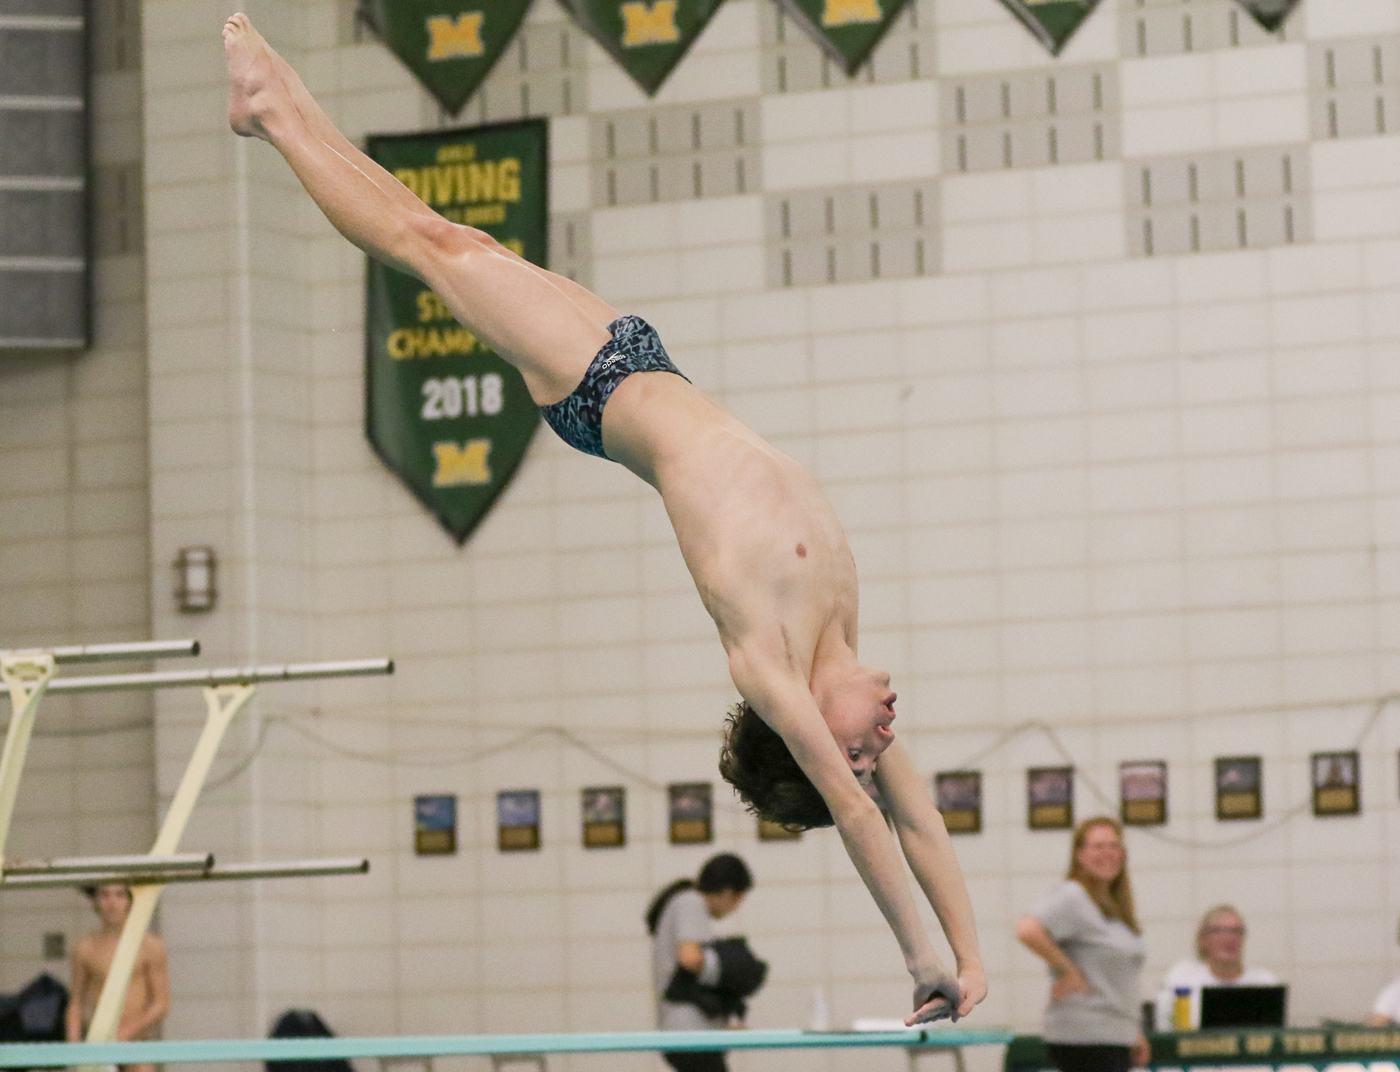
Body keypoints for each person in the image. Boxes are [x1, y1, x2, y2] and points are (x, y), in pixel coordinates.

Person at [220, 12, 985, 1025]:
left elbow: (864, 812)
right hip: (645, 359)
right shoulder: (839, 639)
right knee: (453, 241)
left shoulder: (769, 657)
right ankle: (273, 105)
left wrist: (921, 958)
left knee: (430, 242)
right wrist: (972, 960)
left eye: (865, 745)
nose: (888, 733)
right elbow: (921, 822)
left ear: (816, 743)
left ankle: (272, 111)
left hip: (593, 392)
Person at [1016, 818, 1149, 1072]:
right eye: (1098, 846)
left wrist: (1133, 1031)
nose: (1107, 854)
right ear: (1080, 855)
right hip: (1085, 1035)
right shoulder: (1073, 896)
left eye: (1113, 846)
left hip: (1113, 1034)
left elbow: (1118, 982)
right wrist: (1068, 969)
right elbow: (1027, 929)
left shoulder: (1114, 907)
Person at [646, 854, 754, 1072]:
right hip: (689, 1035)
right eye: (737, 900)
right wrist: (731, 969)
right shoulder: (691, 902)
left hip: (684, 1033)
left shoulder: (682, 902)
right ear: (727, 892)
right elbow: (690, 958)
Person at [65, 884, 170, 1072]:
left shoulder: (150, 946)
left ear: (130, 902)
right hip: (99, 1042)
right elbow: (76, 1003)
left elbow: (161, 1004)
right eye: (104, 895)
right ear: (95, 902)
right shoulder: (85, 949)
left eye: (120, 895)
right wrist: (74, 1045)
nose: (112, 903)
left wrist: (126, 1031)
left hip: (138, 1042)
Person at [1153, 905, 1278, 1030]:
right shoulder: (1182, 977)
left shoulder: (1264, 982)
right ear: (1203, 940)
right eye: (1220, 931)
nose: (1230, 938)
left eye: (1236, 931)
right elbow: (1164, 1030)